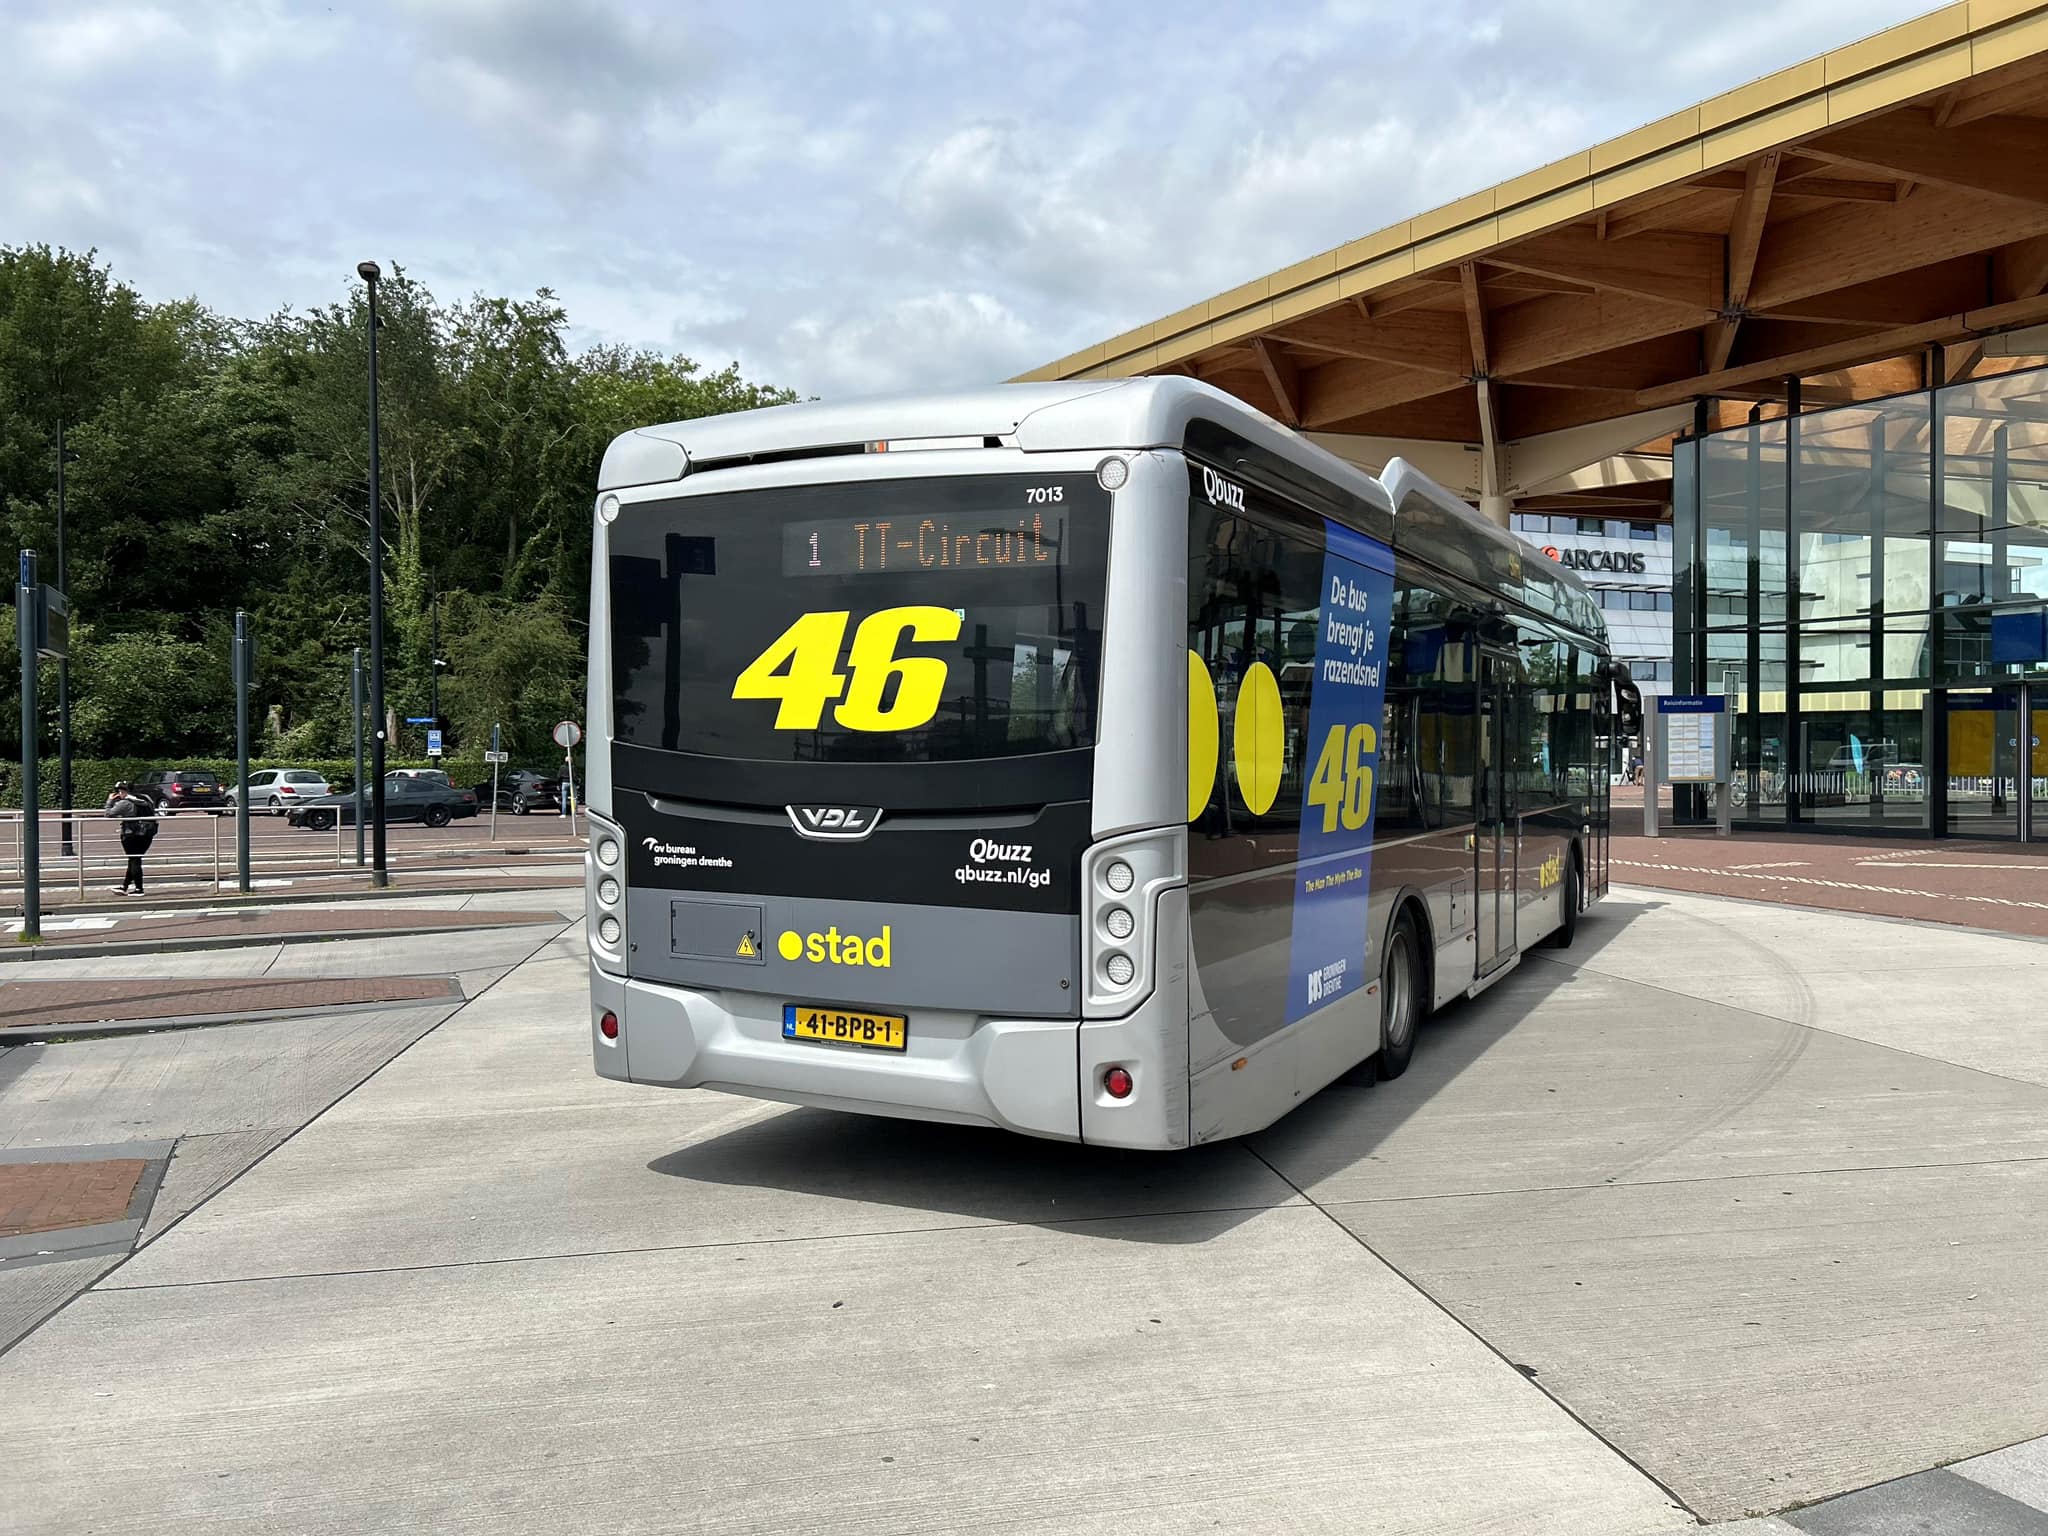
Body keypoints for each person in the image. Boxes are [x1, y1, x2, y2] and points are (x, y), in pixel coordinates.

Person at [104, 780, 158, 896]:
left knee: (134, 860)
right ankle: (125, 886)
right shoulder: (146, 799)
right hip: (147, 833)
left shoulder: (125, 803)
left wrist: (110, 800)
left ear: (123, 791)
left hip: (132, 833)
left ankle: (139, 889)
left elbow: (109, 813)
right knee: (134, 859)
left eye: (120, 791)